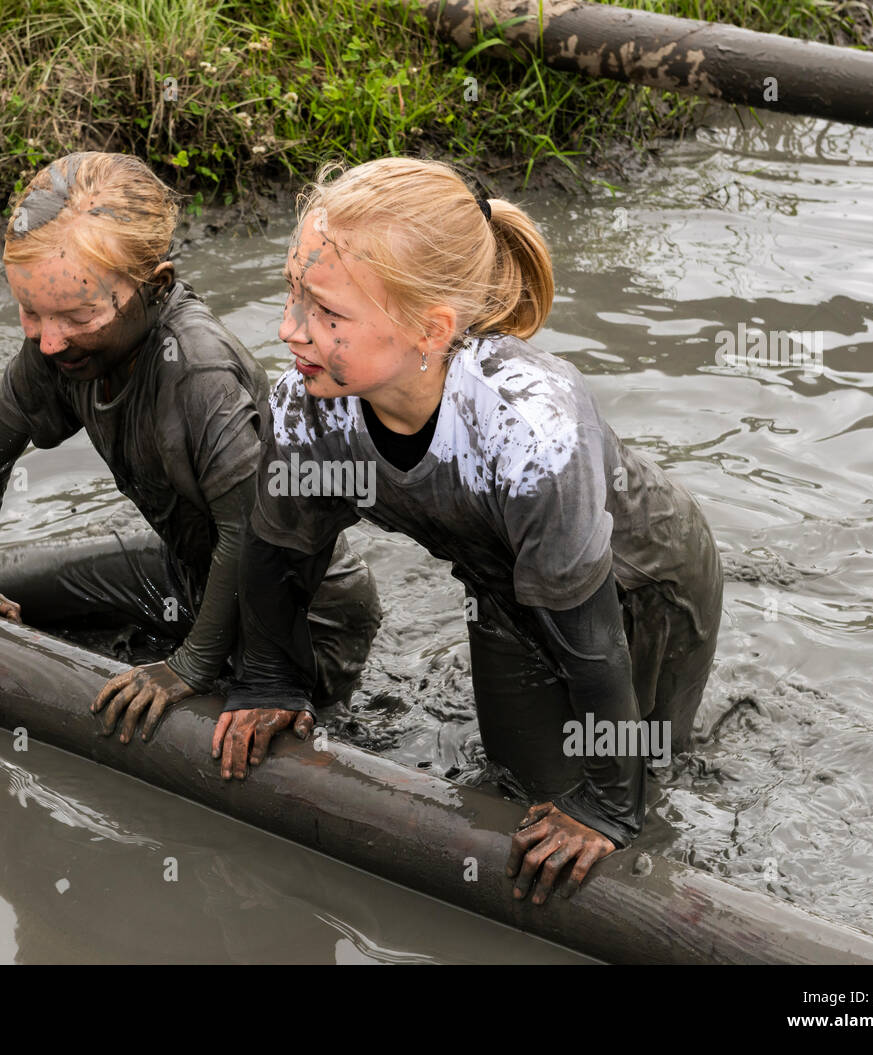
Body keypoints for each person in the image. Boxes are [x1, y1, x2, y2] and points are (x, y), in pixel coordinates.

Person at [218, 157, 724, 905]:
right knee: (519, 795)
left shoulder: (525, 426)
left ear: (432, 328)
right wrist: (269, 678)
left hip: (643, 583)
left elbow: (592, 635)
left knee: (625, 796)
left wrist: (610, 808)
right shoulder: (311, 404)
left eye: (325, 312)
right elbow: (280, 552)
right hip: (503, 583)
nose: (290, 328)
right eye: (291, 290)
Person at [0, 151, 381, 745]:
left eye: (77, 315)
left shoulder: (198, 370)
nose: (49, 341)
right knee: (2, 587)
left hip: (299, 609)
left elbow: (251, 532)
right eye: (30, 312)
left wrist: (191, 667)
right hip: (190, 575)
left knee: (234, 705)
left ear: (156, 286)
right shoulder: (59, 345)